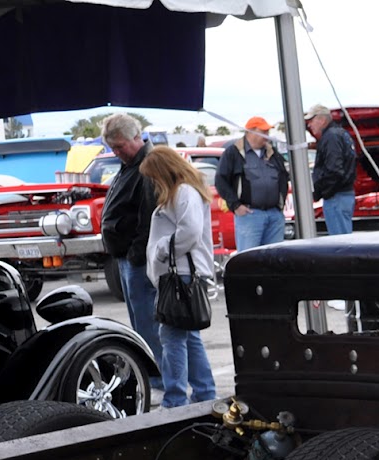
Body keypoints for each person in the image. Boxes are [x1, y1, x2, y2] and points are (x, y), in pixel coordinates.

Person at [141, 146, 218, 408]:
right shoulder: (185, 191)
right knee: (188, 336)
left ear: (163, 172)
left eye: (153, 176)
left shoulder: (183, 192)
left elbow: (190, 231)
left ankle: (175, 399)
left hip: (179, 275)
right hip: (181, 273)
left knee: (172, 337)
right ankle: (204, 392)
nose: (152, 182)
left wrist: (162, 248)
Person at [98, 113, 162, 380]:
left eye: (120, 146)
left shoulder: (147, 166)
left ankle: (157, 377)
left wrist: (136, 255)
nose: (117, 152)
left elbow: (149, 217)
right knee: (139, 324)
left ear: (136, 137)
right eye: (113, 148)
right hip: (125, 257)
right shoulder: (129, 165)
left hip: (136, 259)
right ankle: (150, 375)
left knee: (147, 324)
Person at [213, 115, 289, 252]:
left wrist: (280, 206)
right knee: (249, 259)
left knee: (274, 259)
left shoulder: (273, 153)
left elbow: (284, 177)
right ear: (250, 131)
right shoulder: (233, 152)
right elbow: (220, 180)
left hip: (274, 214)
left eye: (267, 132)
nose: (267, 136)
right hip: (250, 215)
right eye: (263, 132)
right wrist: (235, 205)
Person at [306, 103, 357, 236]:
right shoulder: (341, 134)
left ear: (322, 120)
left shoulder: (331, 137)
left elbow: (334, 170)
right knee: (345, 238)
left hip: (336, 197)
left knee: (340, 244)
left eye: (311, 120)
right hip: (344, 194)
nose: (309, 125)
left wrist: (323, 192)